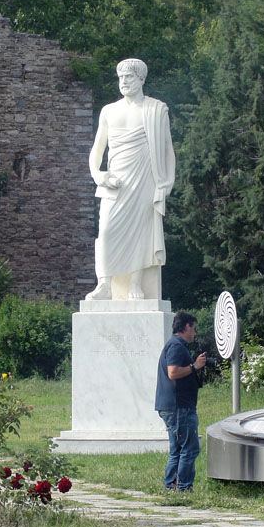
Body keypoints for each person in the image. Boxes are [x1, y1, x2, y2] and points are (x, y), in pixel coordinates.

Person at [85, 58, 175, 300]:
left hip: (144, 180)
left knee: (140, 233)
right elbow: (97, 150)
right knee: (106, 231)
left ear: (141, 79)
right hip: (114, 182)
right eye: (121, 77)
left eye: (129, 77)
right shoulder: (109, 111)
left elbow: (167, 150)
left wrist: (167, 183)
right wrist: (98, 175)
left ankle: (135, 283)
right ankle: (104, 284)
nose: (123, 81)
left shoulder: (155, 110)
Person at [154, 312, 206, 491]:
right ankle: (183, 487)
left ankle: (171, 485)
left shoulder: (175, 344)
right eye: (194, 328)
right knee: (189, 448)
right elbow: (173, 372)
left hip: (173, 405)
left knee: (177, 449)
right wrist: (194, 366)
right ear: (187, 327)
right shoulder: (176, 346)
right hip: (179, 406)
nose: (195, 333)